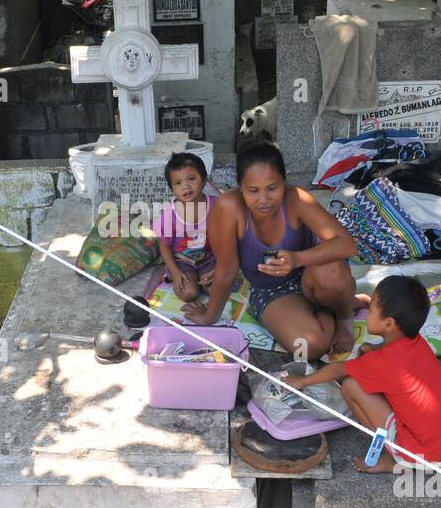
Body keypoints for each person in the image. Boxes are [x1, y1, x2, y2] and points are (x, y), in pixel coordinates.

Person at [184, 143, 361, 358]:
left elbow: (346, 244)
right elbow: (227, 269)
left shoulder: (296, 198)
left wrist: (297, 259)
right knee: (308, 349)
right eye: (253, 190)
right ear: (240, 187)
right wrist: (210, 317)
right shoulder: (228, 207)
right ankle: (325, 309)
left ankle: (343, 315)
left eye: (272, 188)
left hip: (309, 276)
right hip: (272, 291)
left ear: (284, 182)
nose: (264, 199)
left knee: (331, 270)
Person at [283, 274, 441, 473]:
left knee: (349, 385)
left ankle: (392, 459)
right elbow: (391, 355)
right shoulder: (418, 342)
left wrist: (301, 381)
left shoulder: (382, 363)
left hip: (427, 453)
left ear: (389, 324)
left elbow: (338, 369)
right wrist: (371, 350)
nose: (366, 311)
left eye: (371, 308)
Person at [155, 152, 215, 303]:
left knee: (217, 291)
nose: (185, 186)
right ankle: (193, 279)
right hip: (182, 261)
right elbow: (164, 244)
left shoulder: (216, 205)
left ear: (205, 180)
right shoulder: (171, 211)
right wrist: (175, 272)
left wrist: (220, 268)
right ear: (172, 188)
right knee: (189, 293)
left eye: (191, 179)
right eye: (178, 183)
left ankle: (205, 280)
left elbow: (227, 238)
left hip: (209, 258)